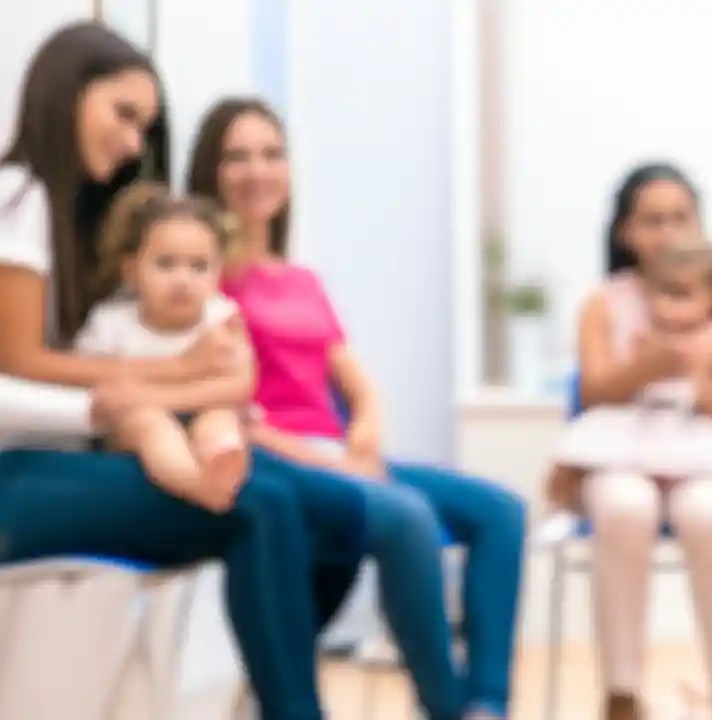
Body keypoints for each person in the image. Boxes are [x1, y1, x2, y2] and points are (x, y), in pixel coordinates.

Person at [0, 22, 366, 720]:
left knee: (327, 508)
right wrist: (133, 391)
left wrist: (180, 377)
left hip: (58, 462)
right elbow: (15, 361)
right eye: (123, 114)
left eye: (146, 125)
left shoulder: (61, 211)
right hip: (16, 478)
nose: (135, 143)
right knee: (262, 507)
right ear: (66, 91)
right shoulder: (18, 194)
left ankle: (277, 697)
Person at [186, 97, 527, 720]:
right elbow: (232, 417)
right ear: (209, 171)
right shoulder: (202, 280)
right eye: (237, 156)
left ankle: (487, 705)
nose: (258, 170)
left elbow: (355, 381)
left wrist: (363, 438)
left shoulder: (302, 280)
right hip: (280, 464)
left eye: (271, 153)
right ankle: (446, 707)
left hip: (338, 457)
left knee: (501, 513)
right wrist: (337, 465)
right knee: (410, 518)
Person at [564, 163, 712, 720]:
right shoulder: (605, 303)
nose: (667, 232)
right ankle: (621, 693)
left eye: (680, 218)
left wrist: (710, 362)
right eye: (651, 220)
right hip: (620, 443)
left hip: (698, 447)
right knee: (625, 505)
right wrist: (644, 367)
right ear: (625, 231)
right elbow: (594, 393)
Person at [75, 184, 251, 512]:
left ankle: (223, 468)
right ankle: (198, 486)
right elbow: (92, 384)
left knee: (220, 420)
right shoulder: (111, 322)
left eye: (199, 267)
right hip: (131, 425)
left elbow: (241, 384)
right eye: (166, 264)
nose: (182, 279)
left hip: (197, 409)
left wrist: (154, 395)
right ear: (131, 270)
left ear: (218, 272)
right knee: (149, 424)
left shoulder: (221, 316)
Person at [548, 238, 712, 507]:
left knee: (708, 507)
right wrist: (647, 365)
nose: (668, 307)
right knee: (618, 491)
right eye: (661, 294)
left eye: (681, 295)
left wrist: (703, 370)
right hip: (635, 432)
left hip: (693, 436)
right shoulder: (641, 336)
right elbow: (599, 394)